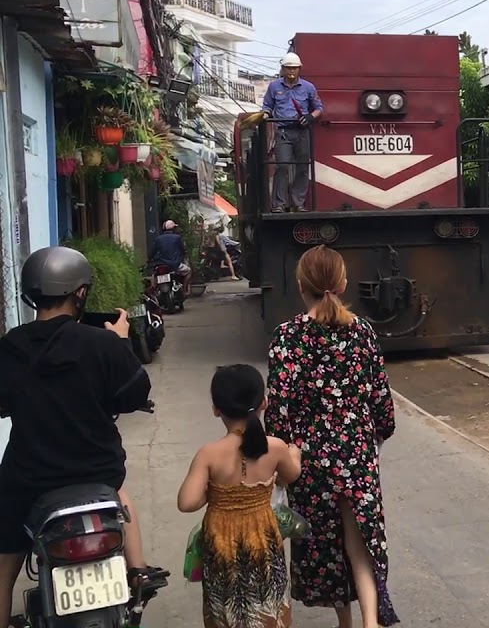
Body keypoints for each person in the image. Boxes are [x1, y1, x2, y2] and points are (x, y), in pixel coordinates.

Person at [0, 246, 154, 621]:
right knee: (120, 493)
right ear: (80, 293)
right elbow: (136, 394)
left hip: (28, 481)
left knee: (4, 571)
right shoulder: (102, 344)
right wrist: (120, 341)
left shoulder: (11, 347)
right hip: (98, 475)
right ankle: (139, 572)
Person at [264, 246, 398, 628]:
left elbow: (279, 409)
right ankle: (370, 622)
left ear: (300, 285)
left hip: (311, 463)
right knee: (360, 548)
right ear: (342, 283)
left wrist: (281, 454)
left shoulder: (287, 337)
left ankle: (348, 622)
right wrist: (376, 435)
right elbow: (381, 400)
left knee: (328, 548)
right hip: (357, 459)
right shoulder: (364, 333)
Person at [178, 364, 302, 628]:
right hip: (263, 535)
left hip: (221, 540)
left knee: (227, 602)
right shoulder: (275, 447)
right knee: (266, 596)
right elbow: (290, 476)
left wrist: (216, 493)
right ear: (264, 403)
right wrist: (295, 454)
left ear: (216, 409)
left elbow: (187, 502)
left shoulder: (208, 454)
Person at [263, 52, 324, 213]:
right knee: (282, 166)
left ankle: (298, 203)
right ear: (283, 69)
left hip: (302, 131)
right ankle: (279, 204)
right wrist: (265, 115)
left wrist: (310, 117)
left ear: (299, 69)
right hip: (283, 131)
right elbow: (267, 106)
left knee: (303, 167)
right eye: (288, 68)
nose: (291, 72)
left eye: (294, 69)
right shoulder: (274, 86)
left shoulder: (308, 87)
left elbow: (319, 109)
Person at [150, 219, 193, 294]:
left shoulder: (158, 239)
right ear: (173, 229)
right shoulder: (177, 238)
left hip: (161, 264)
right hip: (175, 265)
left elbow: (152, 253)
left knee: (154, 276)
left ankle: (153, 292)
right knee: (189, 271)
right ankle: (185, 289)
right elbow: (182, 250)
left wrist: (150, 260)